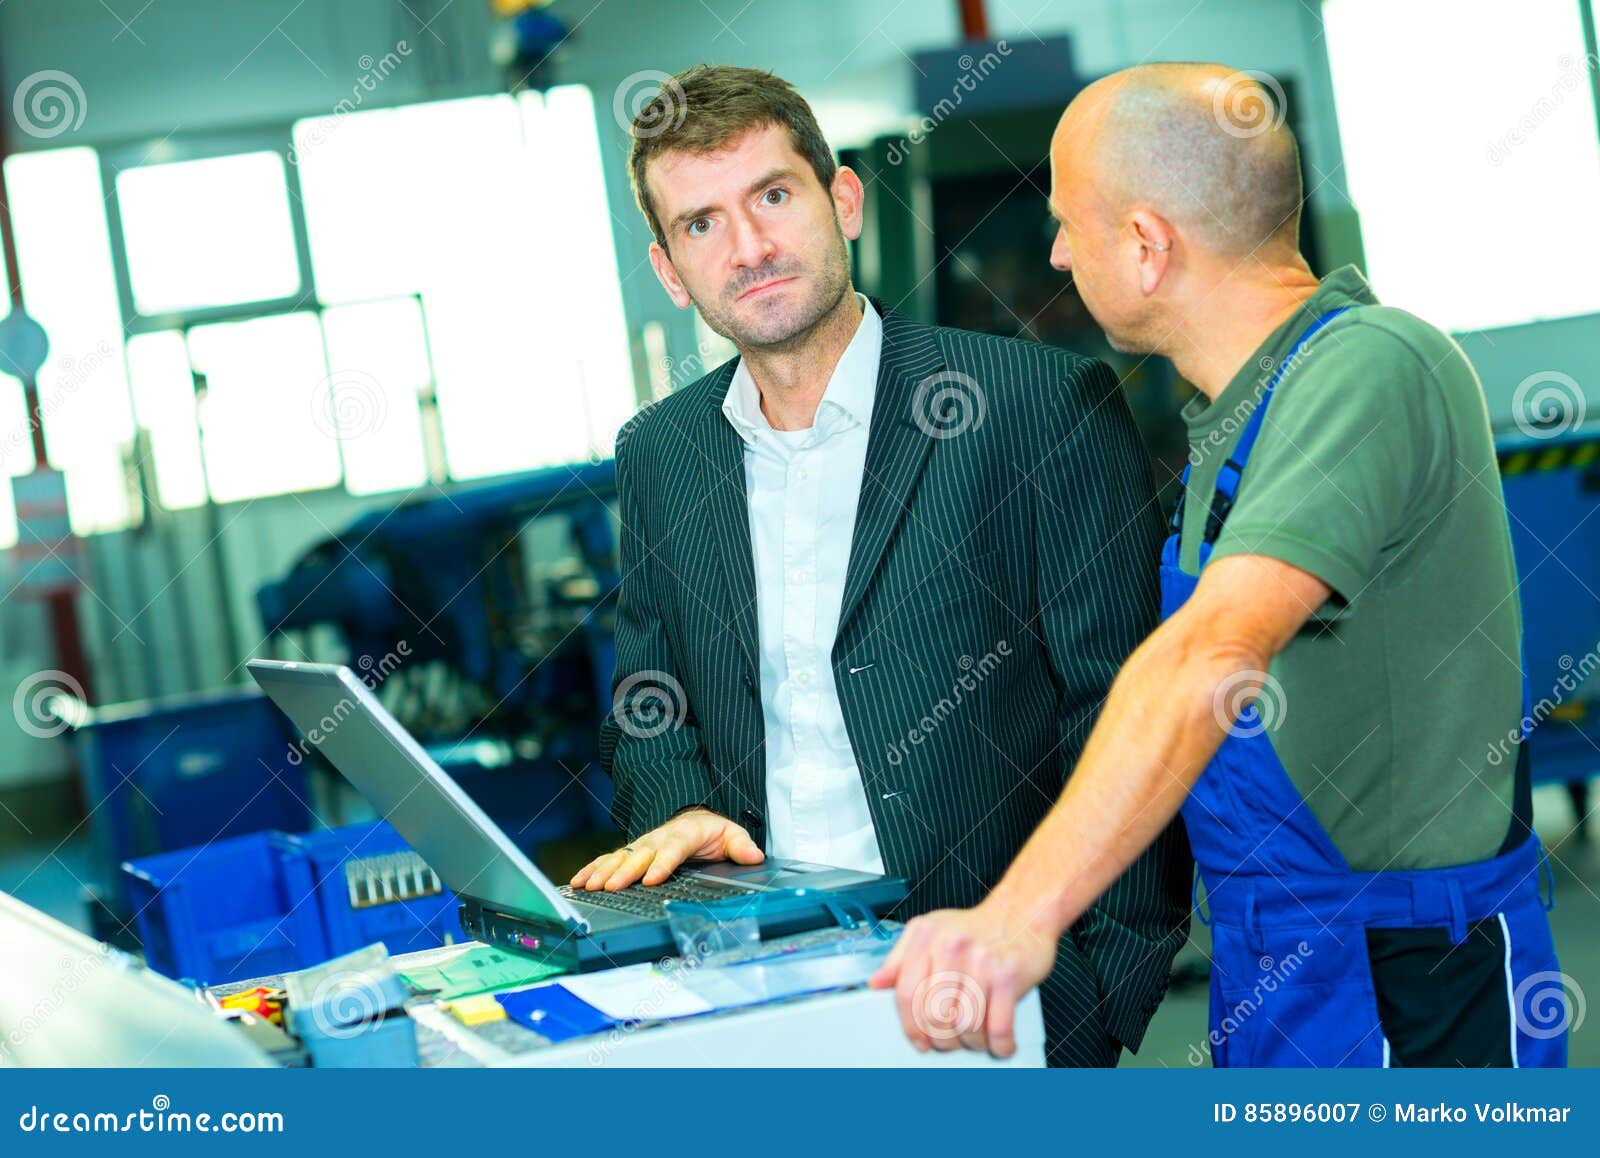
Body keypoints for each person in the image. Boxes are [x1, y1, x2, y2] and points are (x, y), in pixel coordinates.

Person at [872, 62, 1565, 1068]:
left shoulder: (1369, 365)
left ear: (1147, 245)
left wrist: (1020, 916)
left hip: (1410, 990)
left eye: (1069, 224)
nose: (1058, 255)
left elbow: (1209, 652)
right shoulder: (1240, 414)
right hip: (1284, 964)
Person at [575, 64, 1191, 1066]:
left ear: (843, 201)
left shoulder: (1037, 407)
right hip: (757, 991)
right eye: (702, 224)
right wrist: (678, 809)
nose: (749, 247)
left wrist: (1097, 996)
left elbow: (1120, 709)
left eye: (773, 196)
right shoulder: (660, 453)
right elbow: (651, 698)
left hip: (987, 989)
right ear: (669, 269)